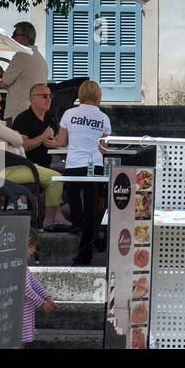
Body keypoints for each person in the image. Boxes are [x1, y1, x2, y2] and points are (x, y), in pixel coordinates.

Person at [0, 91, 69, 230]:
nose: (0, 108)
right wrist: (14, 137)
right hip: (6, 172)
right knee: (56, 178)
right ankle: (49, 219)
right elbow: (19, 140)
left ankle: (54, 215)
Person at [57, 80, 113, 264]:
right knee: (91, 208)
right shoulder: (104, 118)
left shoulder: (68, 113)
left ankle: (76, 223)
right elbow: (103, 149)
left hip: (73, 164)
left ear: (80, 94)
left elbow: (62, 141)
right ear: (98, 95)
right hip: (94, 165)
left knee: (72, 195)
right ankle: (85, 251)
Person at [0, 21, 49, 119]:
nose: (12, 38)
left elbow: (4, 83)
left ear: (25, 37)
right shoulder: (40, 58)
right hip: (35, 113)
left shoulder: (21, 55)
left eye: (15, 34)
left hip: (18, 113)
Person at [12, 83, 65, 170]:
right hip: (29, 167)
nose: (49, 99)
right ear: (33, 99)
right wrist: (43, 136)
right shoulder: (22, 119)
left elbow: (62, 140)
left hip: (51, 165)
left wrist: (56, 142)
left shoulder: (51, 118)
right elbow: (22, 146)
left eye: (50, 96)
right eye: (44, 96)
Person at [21, 231, 57, 345]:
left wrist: (47, 297)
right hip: (18, 312)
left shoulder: (23, 264)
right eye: (31, 246)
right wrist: (42, 303)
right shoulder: (16, 265)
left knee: (22, 341)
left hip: (25, 311)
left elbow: (33, 282)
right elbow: (25, 288)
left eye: (34, 247)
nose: (33, 250)